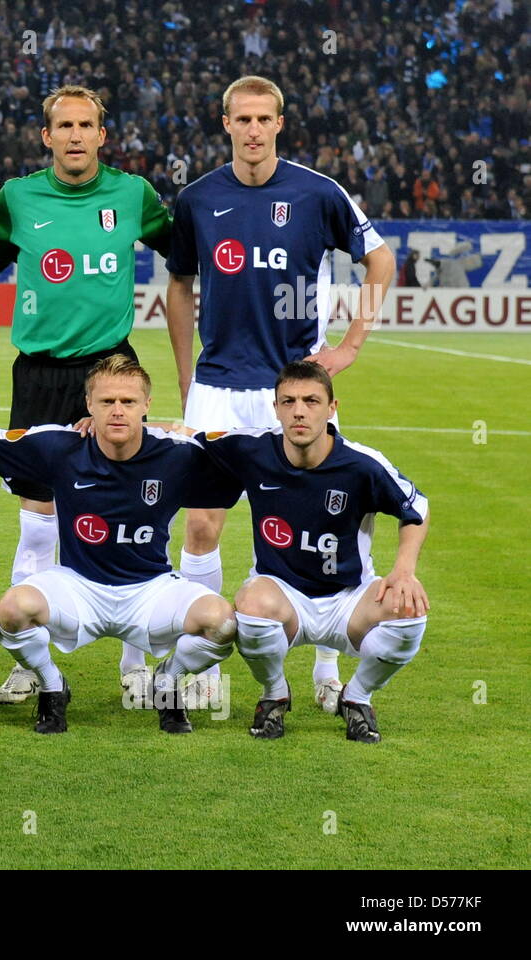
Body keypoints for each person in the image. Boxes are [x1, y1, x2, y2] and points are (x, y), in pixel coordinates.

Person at [165, 75, 396, 713]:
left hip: (294, 389)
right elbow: (179, 287)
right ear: (226, 123)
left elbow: (380, 261)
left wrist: (349, 347)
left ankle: (327, 662)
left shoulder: (319, 193)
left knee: (330, 517)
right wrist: (188, 377)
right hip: (217, 387)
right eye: (243, 119)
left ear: (279, 123)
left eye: (264, 119)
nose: (254, 130)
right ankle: (205, 659)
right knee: (203, 525)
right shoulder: (197, 199)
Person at [0, 84, 174, 706]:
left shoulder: (133, 194)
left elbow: (184, 251)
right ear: (46, 135)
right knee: (36, 524)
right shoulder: (19, 197)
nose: (76, 135)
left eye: (87, 125)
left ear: (103, 136)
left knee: (132, 509)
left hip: (109, 370)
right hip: (39, 374)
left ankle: (139, 658)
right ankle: (31, 658)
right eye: (65, 126)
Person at [0, 355, 240, 735]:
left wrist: (176, 428)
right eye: (107, 402)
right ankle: (53, 685)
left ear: (147, 405)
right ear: (88, 405)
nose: (118, 411)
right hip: (77, 586)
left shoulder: (178, 451)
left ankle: (168, 680)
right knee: (12, 609)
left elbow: (254, 450)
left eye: (128, 402)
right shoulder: (62, 446)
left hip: (150, 589)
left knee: (222, 623)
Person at [196, 361, 429, 743]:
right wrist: (108, 425)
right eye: (288, 401)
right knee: (250, 606)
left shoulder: (362, 464)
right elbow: (184, 440)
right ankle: (274, 694)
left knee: (410, 610)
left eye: (311, 401)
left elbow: (417, 509)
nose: (299, 411)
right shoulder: (252, 448)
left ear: (332, 408)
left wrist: (404, 569)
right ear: (275, 408)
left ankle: (357, 699)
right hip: (282, 595)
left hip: (348, 599)